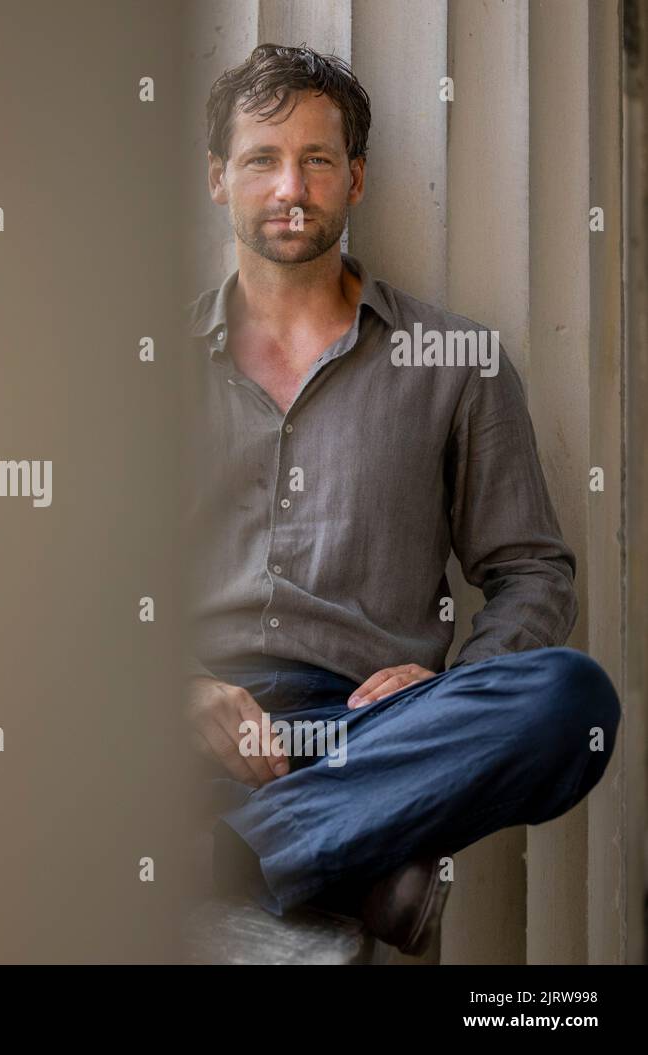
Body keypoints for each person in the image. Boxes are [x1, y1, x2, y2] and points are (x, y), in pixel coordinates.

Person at [181, 43, 621, 956]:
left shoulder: (456, 361)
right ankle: (360, 851)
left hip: (371, 730)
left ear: (358, 178)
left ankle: (242, 853)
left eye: (318, 159)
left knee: (573, 700)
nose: (290, 186)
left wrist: (450, 687)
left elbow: (532, 572)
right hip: (188, 733)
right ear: (219, 177)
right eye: (262, 159)